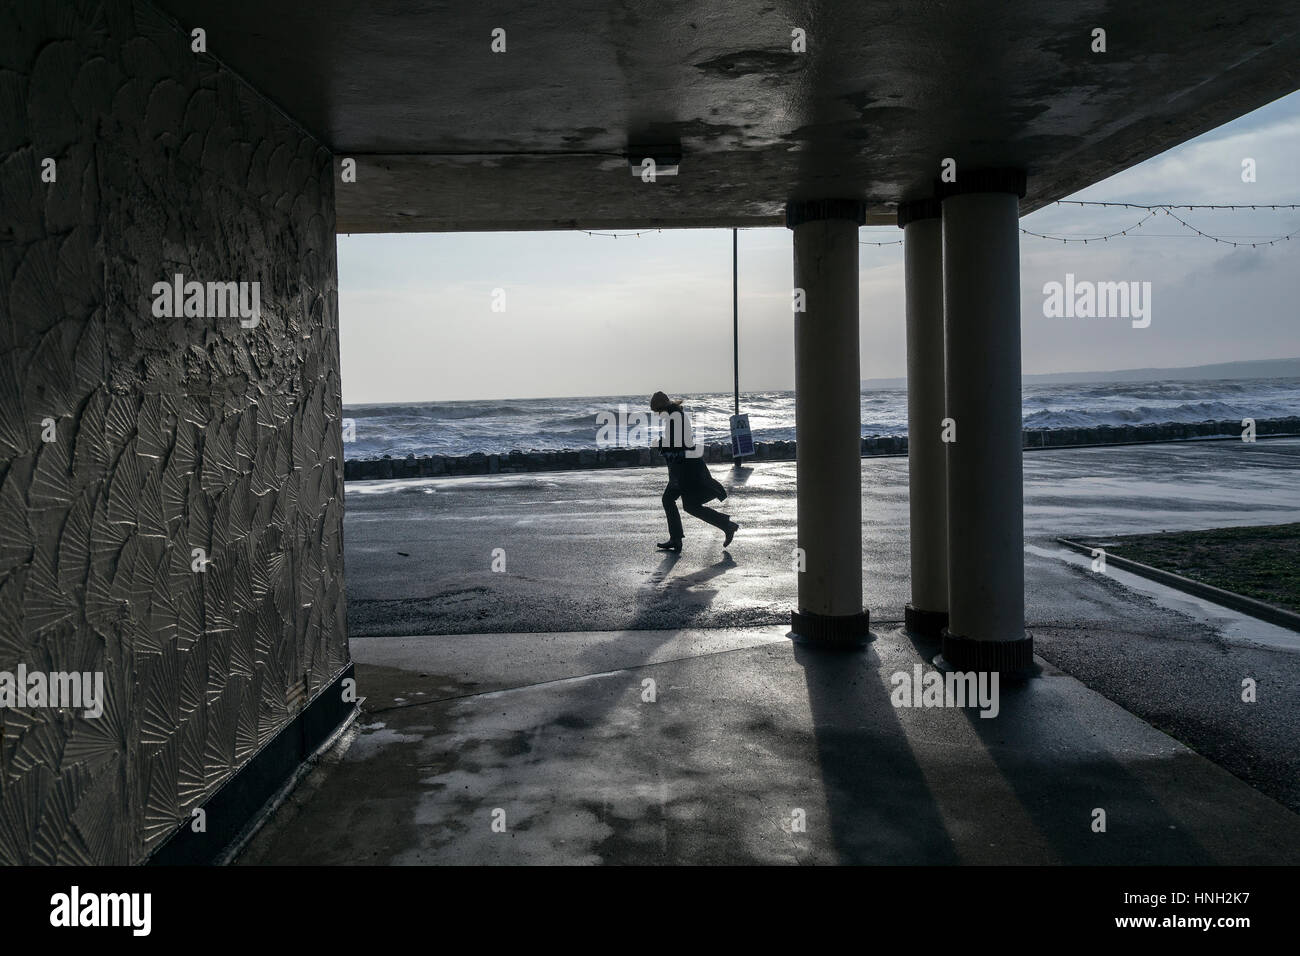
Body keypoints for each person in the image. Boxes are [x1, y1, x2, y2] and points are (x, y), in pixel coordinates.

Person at [650, 391, 739, 552]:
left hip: (685, 470)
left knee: (678, 502)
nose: (658, 415)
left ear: (662, 407)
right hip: (685, 468)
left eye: (657, 411)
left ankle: (679, 538)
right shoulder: (675, 414)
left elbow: (677, 444)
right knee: (685, 504)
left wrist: (660, 444)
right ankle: (725, 526)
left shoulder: (674, 417)